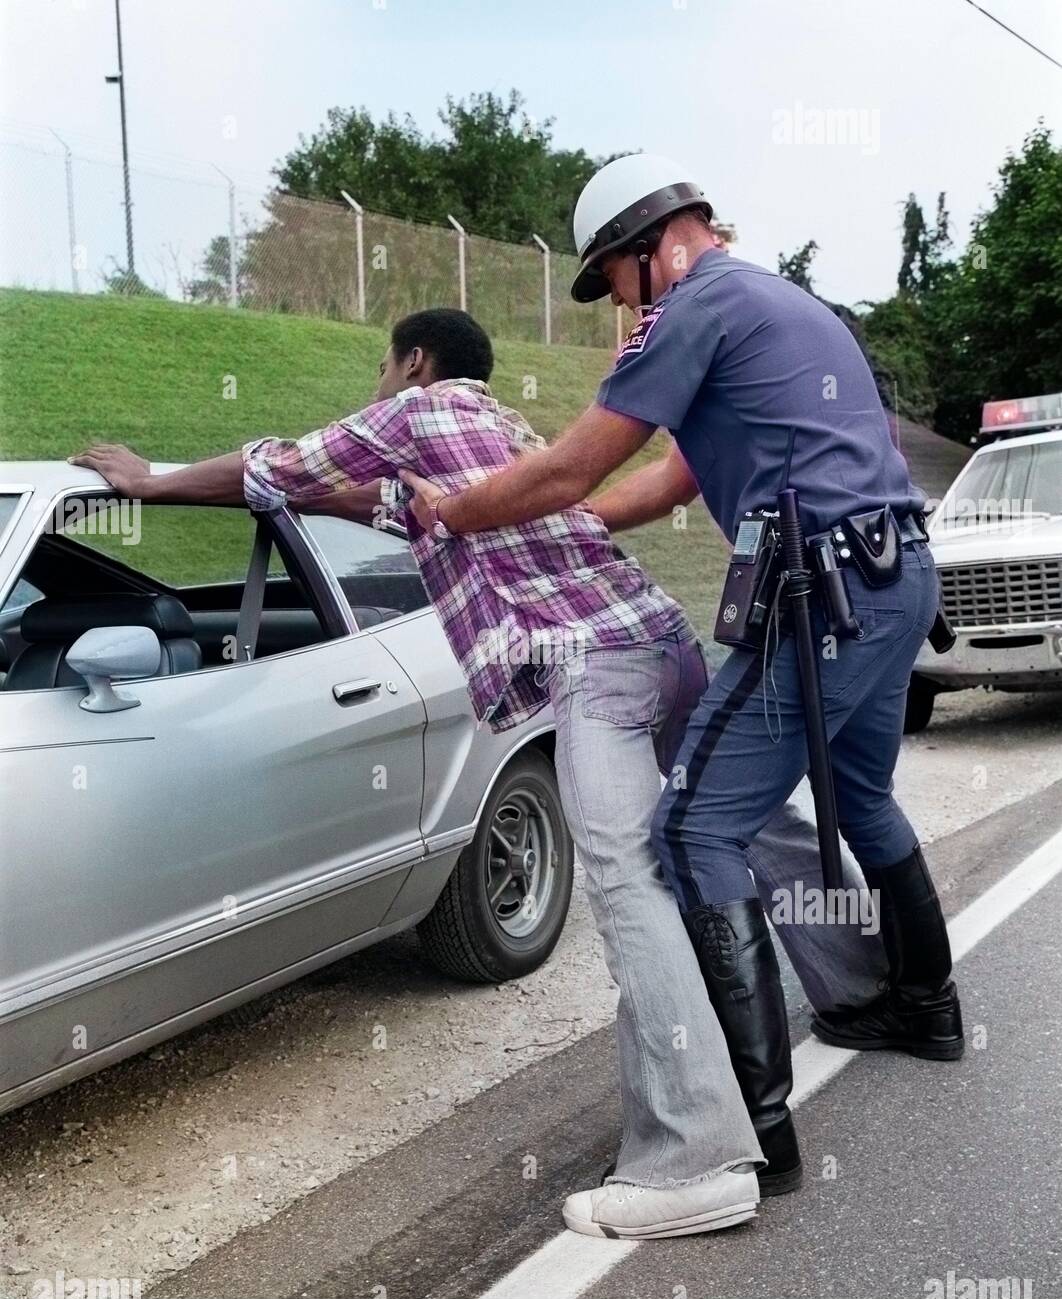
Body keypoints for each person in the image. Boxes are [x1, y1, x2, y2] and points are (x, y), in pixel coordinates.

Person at [70, 307, 882, 1241]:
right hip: (662, 642)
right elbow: (357, 503)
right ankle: (863, 978)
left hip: (598, 669)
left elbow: (279, 465)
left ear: (413, 361)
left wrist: (152, 482)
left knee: (626, 881)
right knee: (751, 825)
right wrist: (289, 495)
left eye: (383, 363)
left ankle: (702, 1155)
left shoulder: (416, 413)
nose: (376, 383)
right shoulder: (504, 430)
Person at [399, 156, 965, 1217]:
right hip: (895, 578)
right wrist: (579, 526)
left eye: (612, 278)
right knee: (870, 797)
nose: (617, 303)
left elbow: (572, 462)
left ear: (651, 246)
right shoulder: (788, 304)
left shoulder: (689, 310)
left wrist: (458, 511)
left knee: (695, 829)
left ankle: (747, 1135)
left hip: (822, 594)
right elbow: (671, 476)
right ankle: (922, 1006)